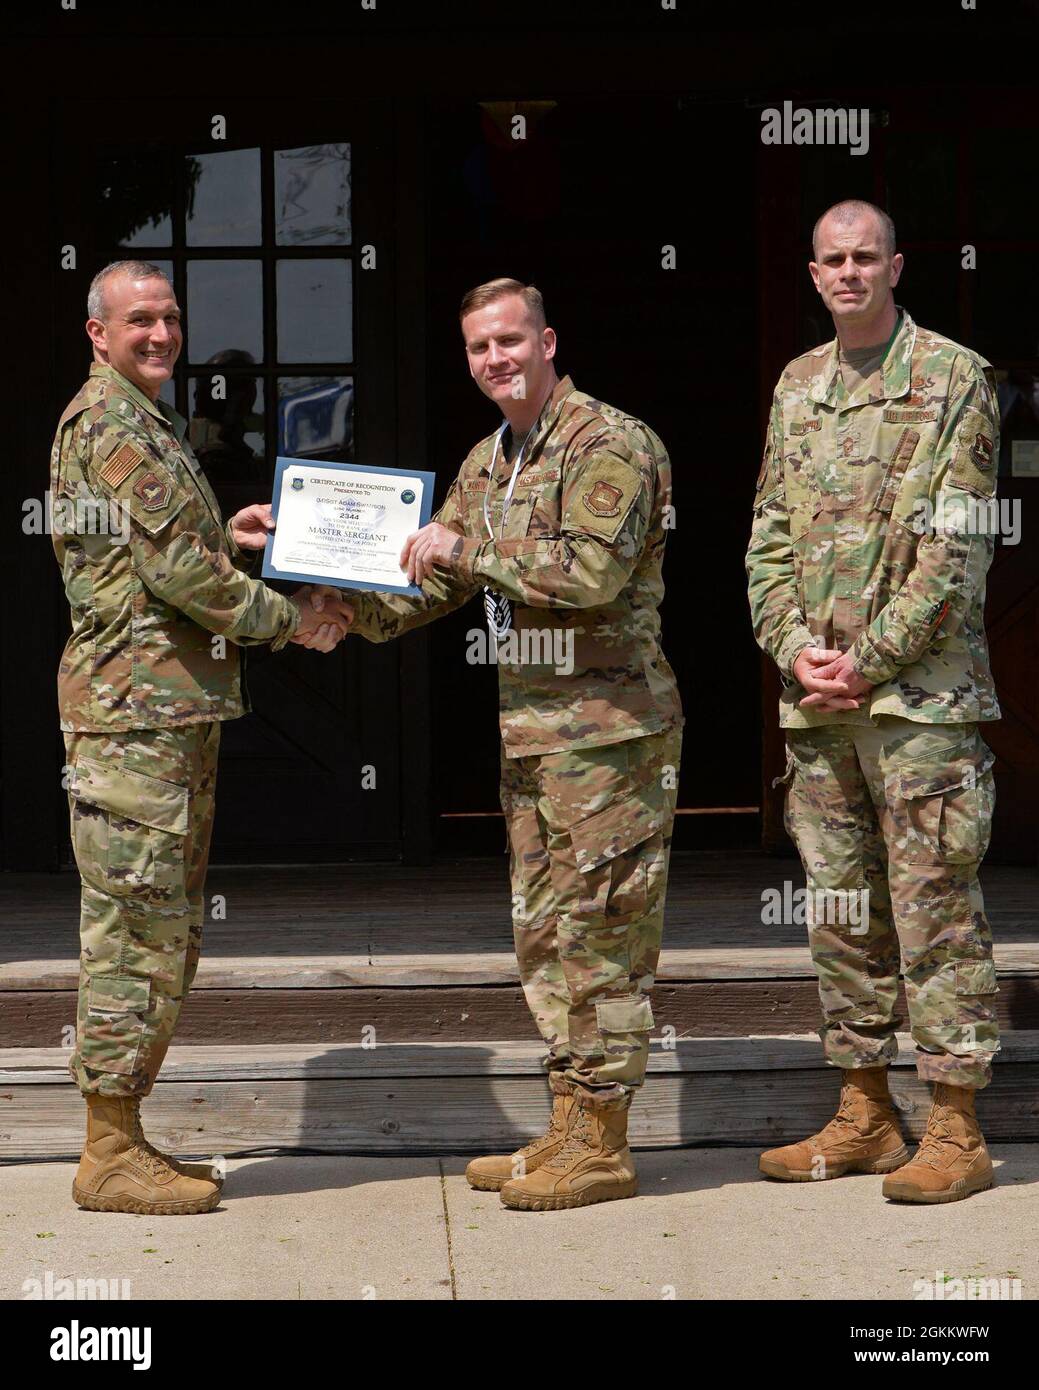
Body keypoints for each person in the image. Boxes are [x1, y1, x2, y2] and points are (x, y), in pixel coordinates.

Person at [323, 278, 683, 1210]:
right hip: (531, 738)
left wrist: (464, 550)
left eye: (511, 341)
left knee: (603, 937)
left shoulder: (610, 443)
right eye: (480, 348)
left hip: (611, 740)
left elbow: (590, 572)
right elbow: (429, 583)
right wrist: (327, 593)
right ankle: (566, 1123)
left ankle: (602, 1141)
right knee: (547, 937)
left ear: (548, 340)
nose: (497, 360)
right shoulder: (490, 457)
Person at [51, 260, 348, 1215]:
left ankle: (123, 1134)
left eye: (170, 317)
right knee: (133, 935)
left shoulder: (143, 424)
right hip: (136, 719)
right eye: (139, 320)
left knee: (162, 935)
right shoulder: (106, 424)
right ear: (98, 332)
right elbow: (175, 574)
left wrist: (231, 533)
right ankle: (107, 1152)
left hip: (165, 713)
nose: (160, 334)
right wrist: (286, 619)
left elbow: (158, 553)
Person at [746, 202, 1001, 1204]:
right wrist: (790, 646)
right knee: (843, 913)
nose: (848, 273)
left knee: (935, 914)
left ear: (895, 265)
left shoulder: (953, 378)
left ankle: (955, 1123)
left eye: (865, 257)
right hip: (821, 710)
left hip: (920, 707)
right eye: (831, 260)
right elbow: (766, 536)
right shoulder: (796, 385)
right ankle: (865, 1110)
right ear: (812, 274)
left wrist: (870, 658)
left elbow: (956, 551)